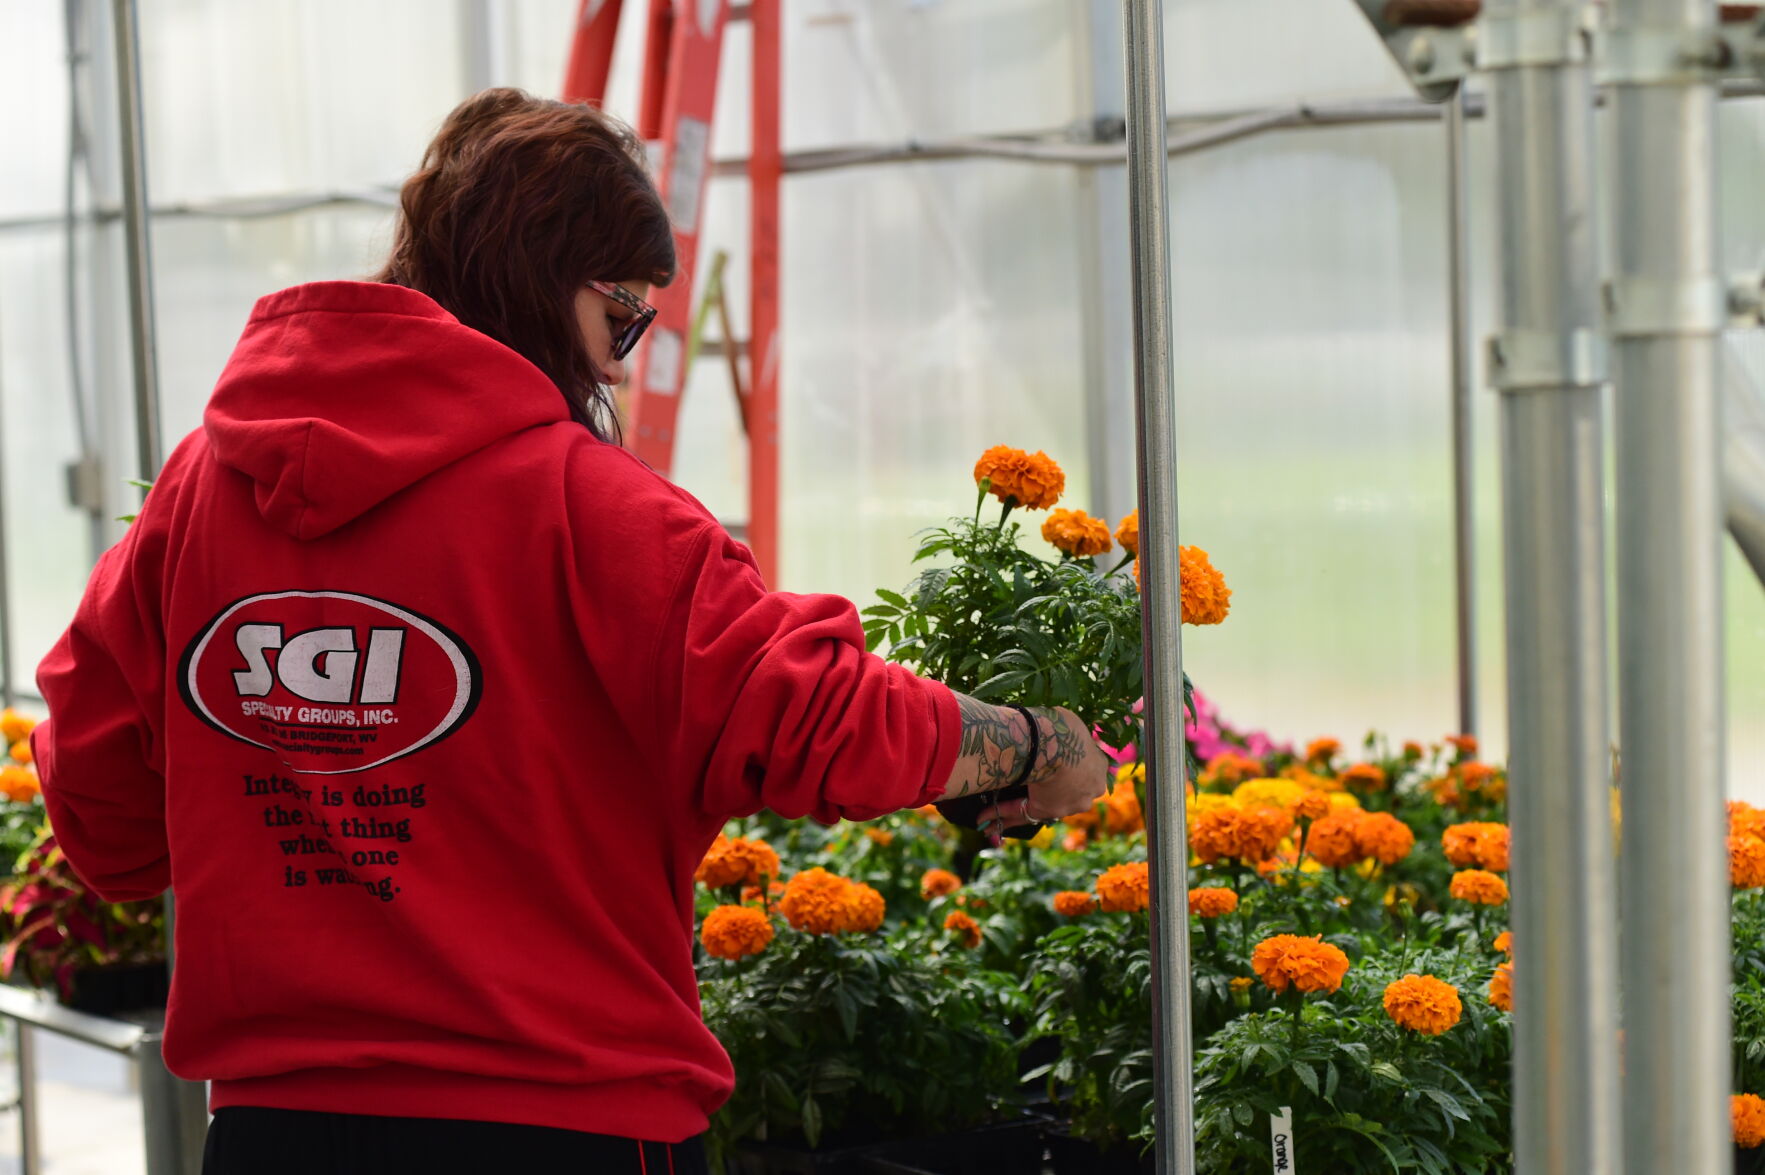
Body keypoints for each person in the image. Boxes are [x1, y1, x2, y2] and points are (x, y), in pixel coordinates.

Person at [29, 88, 1111, 1175]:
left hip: (277, 1130)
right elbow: (810, 717)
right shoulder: (593, 510)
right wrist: (1028, 743)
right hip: (564, 1120)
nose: (620, 363)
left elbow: (104, 812)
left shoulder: (196, 493)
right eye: (621, 315)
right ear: (544, 284)